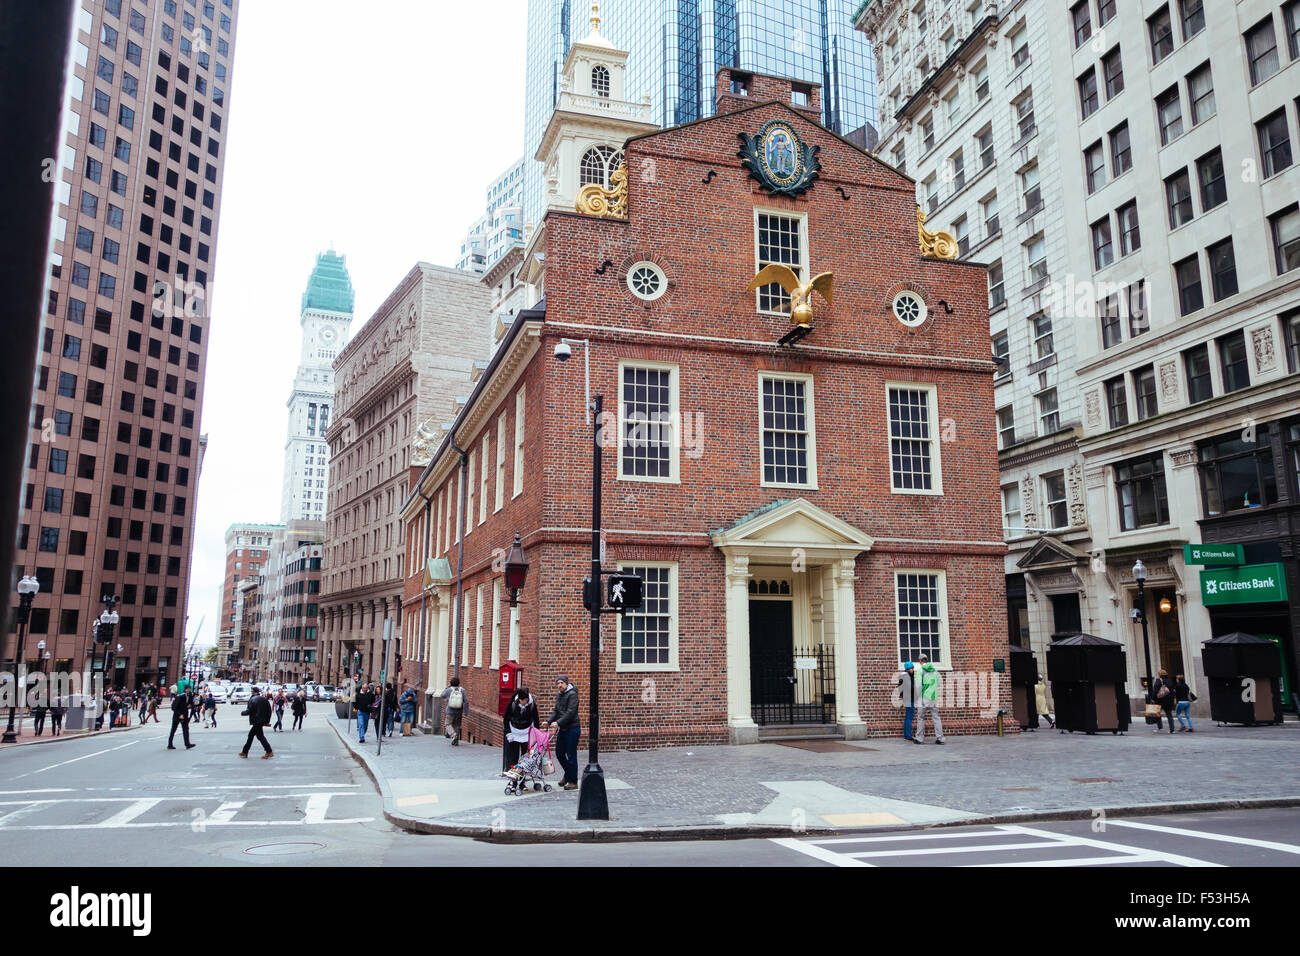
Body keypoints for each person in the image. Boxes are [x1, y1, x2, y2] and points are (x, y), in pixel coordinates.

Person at [547, 675, 580, 790]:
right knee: (559, 753)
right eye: (558, 683)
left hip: (572, 729)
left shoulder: (572, 695)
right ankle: (568, 774)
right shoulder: (559, 695)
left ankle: (573, 781)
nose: (559, 685)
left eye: (561, 683)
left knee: (571, 755)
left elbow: (570, 713)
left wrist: (558, 723)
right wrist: (548, 721)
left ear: (566, 683)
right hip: (563, 729)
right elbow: (556, 711)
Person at [503, 686, 539, 771]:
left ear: (527, 699)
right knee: (513, 756)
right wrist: (508, 733)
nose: (522, 702)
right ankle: (513, 774)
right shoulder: (512, 704)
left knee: (525, 756)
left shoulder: (532, 705)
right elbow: (506, 718)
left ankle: (522, 776)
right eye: (520, 700)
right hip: (514, 731)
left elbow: (536, 719)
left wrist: (536, 733)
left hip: (526, 732)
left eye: (524, 700)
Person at [915, 654, 945, 744]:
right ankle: (940, 739)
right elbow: (939, 683)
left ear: (920, 661)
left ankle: (919, 739)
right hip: (933, 697)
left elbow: (918, 686)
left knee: (921, 718)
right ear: (927, 660)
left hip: (924, 697)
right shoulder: (935, 671)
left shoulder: (920, 670)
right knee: (936, 717)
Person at [238, 686, 274, 759]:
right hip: (261, 721)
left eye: (251, 691)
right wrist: (267, 721)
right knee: (256, 736)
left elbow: (250, 710)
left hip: (256, 721)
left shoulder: (253, 699)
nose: (251, 692)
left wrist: (243, 713)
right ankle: (245, 752)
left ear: (253, 692)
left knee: (255, 736)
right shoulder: (264, 699)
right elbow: (269, 710)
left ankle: (269, 751)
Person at [167, 685, 196, 750]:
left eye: (189, 689)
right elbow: (174, 707)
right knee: (173, 730)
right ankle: (170, 744)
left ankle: (187, 744)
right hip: (177, 715)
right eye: (187, 689)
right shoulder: (180, 696)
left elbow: (191, 703)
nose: (188, 690)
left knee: (186, 729)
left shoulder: (190, 696)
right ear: (185, 689)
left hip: (185, 715)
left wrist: (191, 706)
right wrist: (179, 714)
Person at [1151, 669, 1176, 734]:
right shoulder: (1170, 681)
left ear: (1159, 674)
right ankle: (1172, 729)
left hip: (1160, 700)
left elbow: (1155, 691)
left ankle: (1160, 727)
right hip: (1168, 701)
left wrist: (1153, 698)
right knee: (1169, 715)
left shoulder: (1158, 681)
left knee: (1157, 714)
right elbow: (1172, 691)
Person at [898, 663, 916, 742]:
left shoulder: (905, 676)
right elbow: (911, 687)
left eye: (913, 668)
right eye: (911, 668)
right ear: (908, 669)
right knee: (909, 717)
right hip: (909, 698)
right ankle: (908, 736)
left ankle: (907, 735)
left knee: (908, 717)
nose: (912, 669)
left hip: (908, 698)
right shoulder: (907, 677)